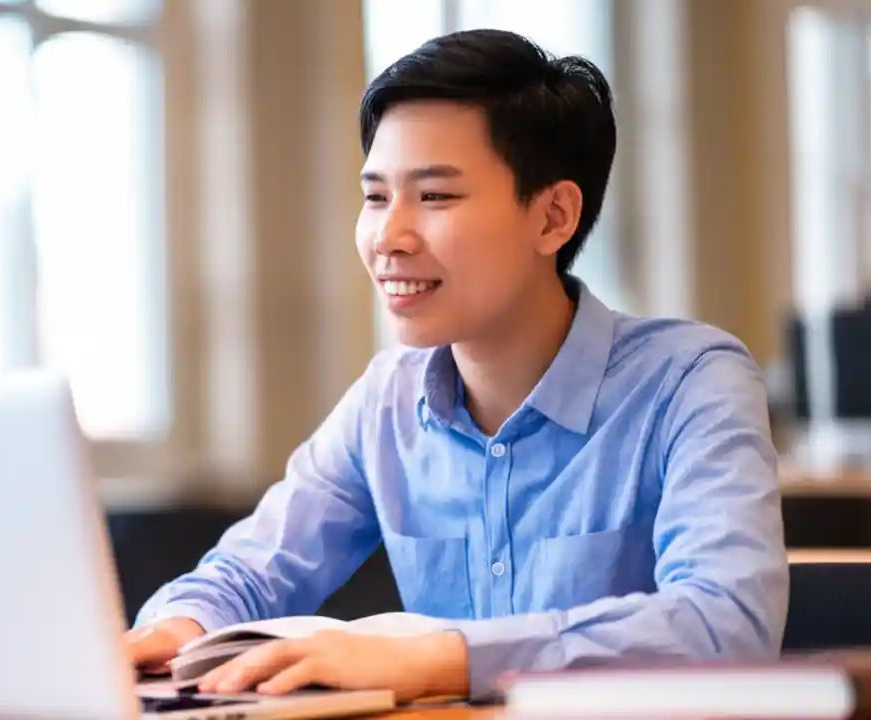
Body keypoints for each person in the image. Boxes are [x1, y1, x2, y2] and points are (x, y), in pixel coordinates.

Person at [126, 29, 787, 701]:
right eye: (377, 196)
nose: (389, 236)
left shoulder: (691, 380)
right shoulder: (388, 400)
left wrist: (437, 659)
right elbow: (249, 574)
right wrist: (180, 627)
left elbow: (725, 621)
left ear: (554, 216)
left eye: (434, 197)